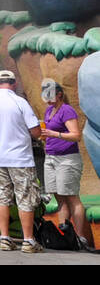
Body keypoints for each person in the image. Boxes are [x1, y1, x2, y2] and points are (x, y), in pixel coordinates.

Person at [0, 70, 43, 253]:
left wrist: (0, 135)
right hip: (20, 159)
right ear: (14, 84)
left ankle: (5, 239)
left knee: (1, 198)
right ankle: (28, 241)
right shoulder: (20, 102)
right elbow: (36, 131)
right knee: (25, 197)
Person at [40, 79, 91, 249]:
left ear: (59, 95)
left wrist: (54, 134)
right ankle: (65, 234)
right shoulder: (49, 111)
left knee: (71, 197)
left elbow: (76, 135)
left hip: (67, 159)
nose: (46, 99)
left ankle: (81, 238)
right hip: (51, 158)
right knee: (59, 197)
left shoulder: (67, 110)